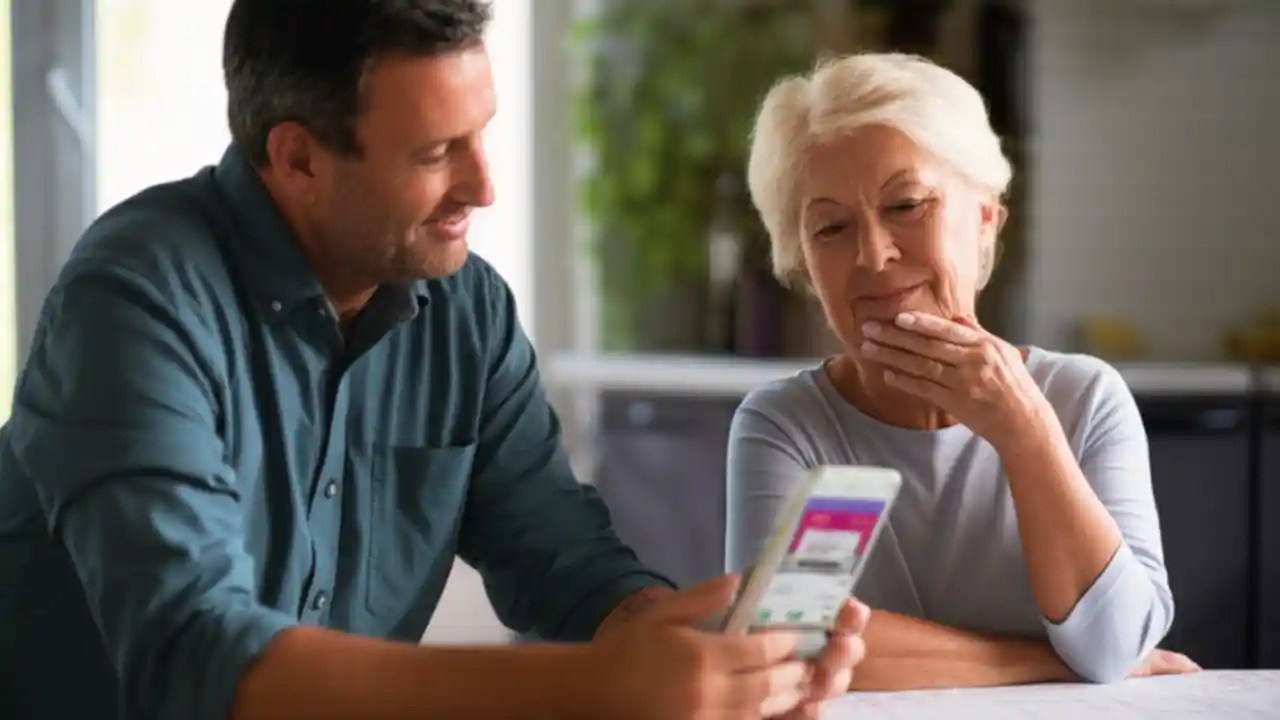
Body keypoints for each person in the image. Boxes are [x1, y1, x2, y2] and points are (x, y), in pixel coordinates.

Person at [0, 2, 869, 718]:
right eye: (434, 153)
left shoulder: (466, 310)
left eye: (481, 132)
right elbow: (193, 654)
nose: (484, 185)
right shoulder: (135, 299)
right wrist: (596, 687)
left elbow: (565, 564)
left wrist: (679, 635)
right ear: (298, 158)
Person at [726, 52, 1200, 690]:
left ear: (985, 219)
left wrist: (1023, 424)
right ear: (806, 266)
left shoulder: (1082, 399)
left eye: (907, 205)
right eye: (832, 227)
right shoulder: (793, 427)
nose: (873, 254)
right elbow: (784, 651)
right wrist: (1048, 662)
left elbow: (1115, 641)